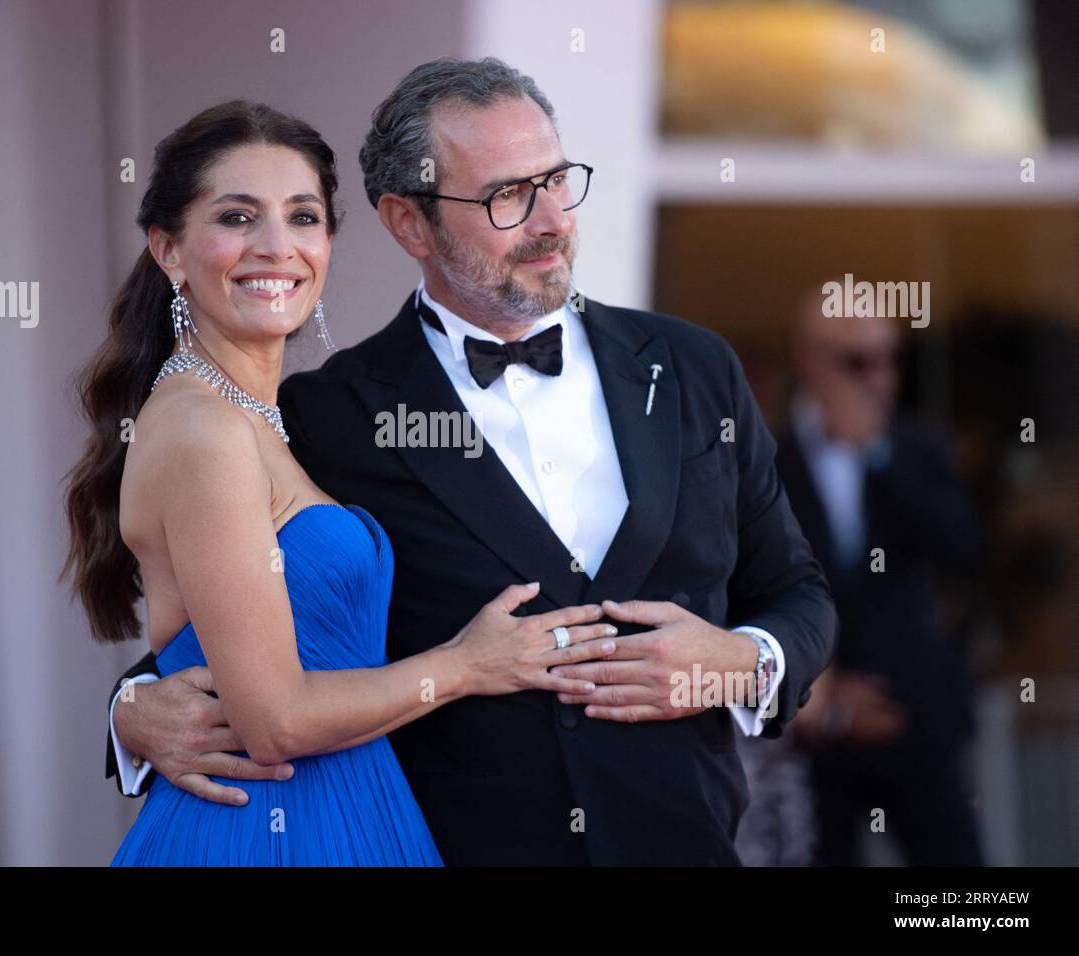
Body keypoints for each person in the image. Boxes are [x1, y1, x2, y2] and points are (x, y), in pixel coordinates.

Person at [105, 58, 838, 866]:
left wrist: (741, 661)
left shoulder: (696, 368)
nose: (552, 219)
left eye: (557, 180)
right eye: (507, 196)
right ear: (409, 224)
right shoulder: (327, 416)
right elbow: (251, 629)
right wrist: (133, 711)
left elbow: (795, 589)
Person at [62, 100, 620, 866]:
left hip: (366, 813)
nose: (276, 247)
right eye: (236, 217)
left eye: (302, 217)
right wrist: (467, 665)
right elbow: (275, 719)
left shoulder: (286, 419)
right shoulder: (205, 429)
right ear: (168, 249)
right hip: (272, 833)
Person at [778, 290, 984, 865]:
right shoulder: (765, 456)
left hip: (912, 718)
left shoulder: (915, 448)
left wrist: (877, 456)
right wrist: (817, 693)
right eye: (858, 362)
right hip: (815, 727)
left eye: (890, 359)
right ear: (810, 360)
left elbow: (961, 549)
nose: (880, 378)